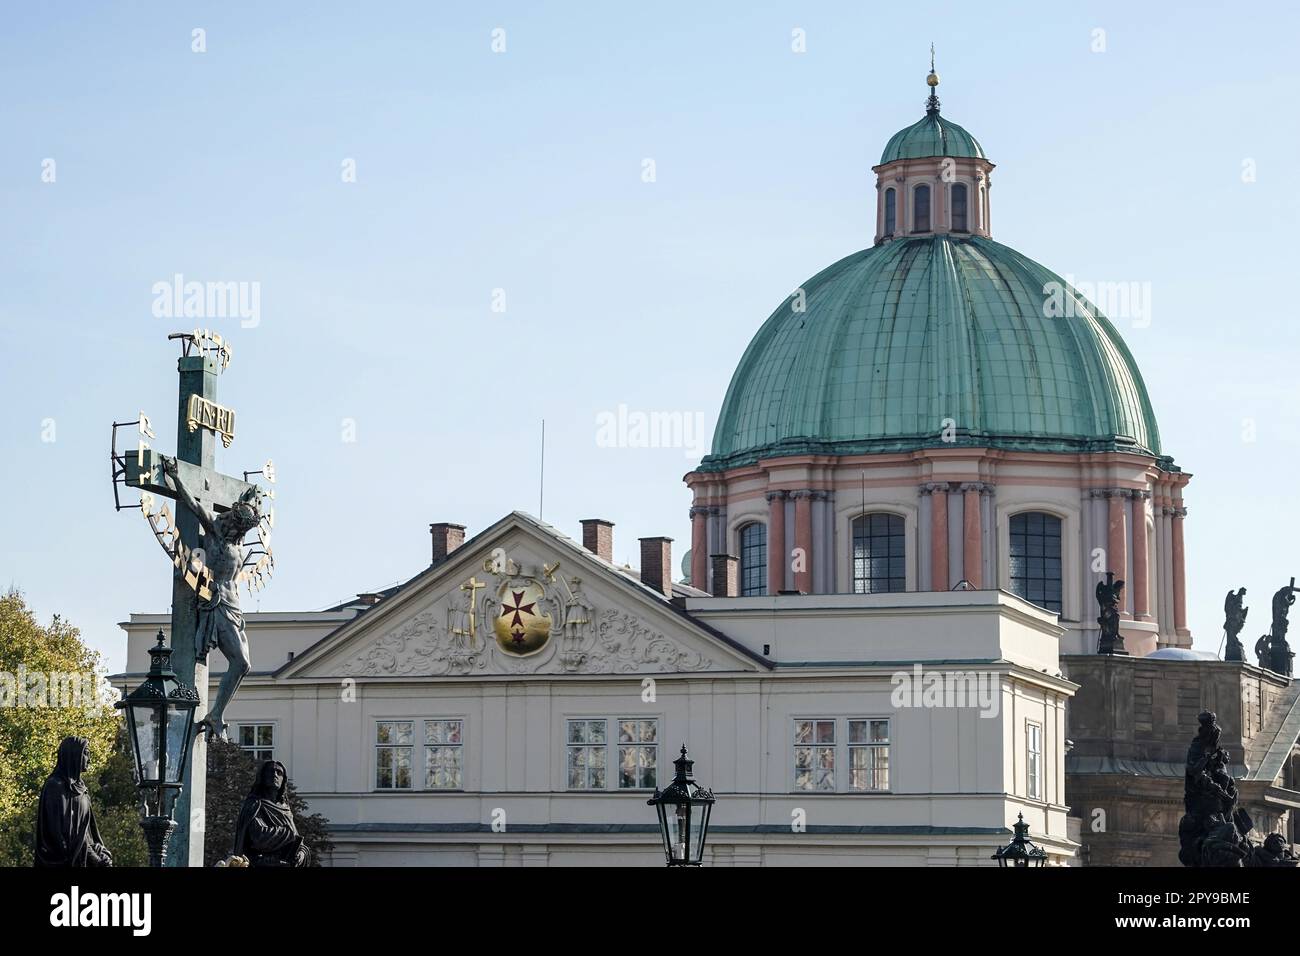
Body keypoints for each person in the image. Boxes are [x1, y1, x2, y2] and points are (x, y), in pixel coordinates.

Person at [161, 455, 262, 741]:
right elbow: (193, 505)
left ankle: (215, 713)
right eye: (240, 526)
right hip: (216, 601)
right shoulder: (216, 533)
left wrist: (252, 495)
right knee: (241, 663)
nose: (240, 531)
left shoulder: (239, 544)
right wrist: (176, 477)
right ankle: (216, 714)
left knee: (245, 665)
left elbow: (250, 508)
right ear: (232, 521)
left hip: (235, 606)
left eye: (244, 529)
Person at [34, 736, 113, 867]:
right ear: (73, 755)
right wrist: (94, 858)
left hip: (83, 856)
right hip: (62, 861)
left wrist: (101, 853)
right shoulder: (55, 786)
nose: (89, 760)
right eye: (86, 754)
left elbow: (87, 833)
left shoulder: (82, 790)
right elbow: (61, 835)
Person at [232, 760, 309, 867]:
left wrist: (301, 854)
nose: (275, 775)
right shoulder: (253, 804)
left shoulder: (286, 810)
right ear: (262, 776)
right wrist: (286, 832)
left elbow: (297, 841)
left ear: (283, 780)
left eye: (279, 772)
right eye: (270, 771)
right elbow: (258, 837)